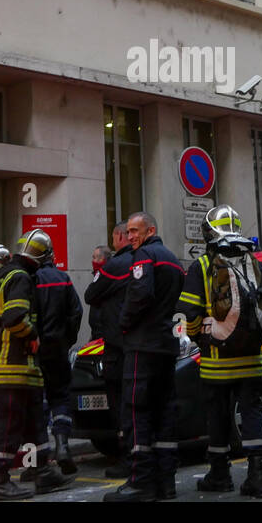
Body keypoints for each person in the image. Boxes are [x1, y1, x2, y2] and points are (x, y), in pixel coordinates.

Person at [178, 205, 262, 497]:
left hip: (216, 361)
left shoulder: (203, 266)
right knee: (252, 412)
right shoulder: (252, 262)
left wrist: (201, 339)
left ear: (209, 232)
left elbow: (189, 313)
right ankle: (259, 477)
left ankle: (219, 474)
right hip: (251, 360)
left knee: (218, 416)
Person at [104, 212, 185, 502]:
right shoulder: (174, 261)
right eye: (128, 232)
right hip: (166, 345)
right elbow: (181, 305)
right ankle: (166, 481)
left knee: (137, 411)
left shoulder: (144, 257)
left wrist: (124, 324)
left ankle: (140, 481)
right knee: (165, 410)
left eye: (136, 231)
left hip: (143, 345)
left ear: (151, 229)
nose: (130, 237)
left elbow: (139, 295)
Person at [0, 230, 73, 501]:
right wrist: (33, 335)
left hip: (25, 368)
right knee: (10, 424)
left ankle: (43, 472)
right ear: (43, 256)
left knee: (35, 422)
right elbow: (13, 318)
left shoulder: (6, 274)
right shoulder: (20, 278)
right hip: (14, 366)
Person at [32, 237, 83, 475]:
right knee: (60, 397)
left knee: (39, 401)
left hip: (36, 350)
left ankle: (39, 460)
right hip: (58, 349)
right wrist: (67, 340)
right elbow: (76, 312)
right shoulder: (62, 278)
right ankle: (63, 446)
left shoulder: (30, 280)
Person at [85, 224, 134, 477]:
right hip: (140, 345)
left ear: (119, 237)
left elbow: (91, 294)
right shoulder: (146, 261)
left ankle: (127, 457)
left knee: (121, 404)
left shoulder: (114, 266)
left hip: (116, 346)